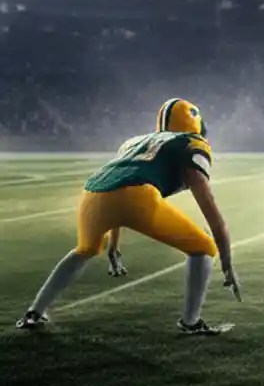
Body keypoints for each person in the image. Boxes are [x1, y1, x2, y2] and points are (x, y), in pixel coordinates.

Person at [16, 98, 239, 335]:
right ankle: (191, 322)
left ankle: (34, 312)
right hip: (136, 196)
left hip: (92, 194)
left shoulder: (135, 142)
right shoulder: (192, 143)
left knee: (85, 249)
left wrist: (113, 244)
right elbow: (209, 207)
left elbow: (118, 186)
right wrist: (226, 261)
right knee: (203, 247)